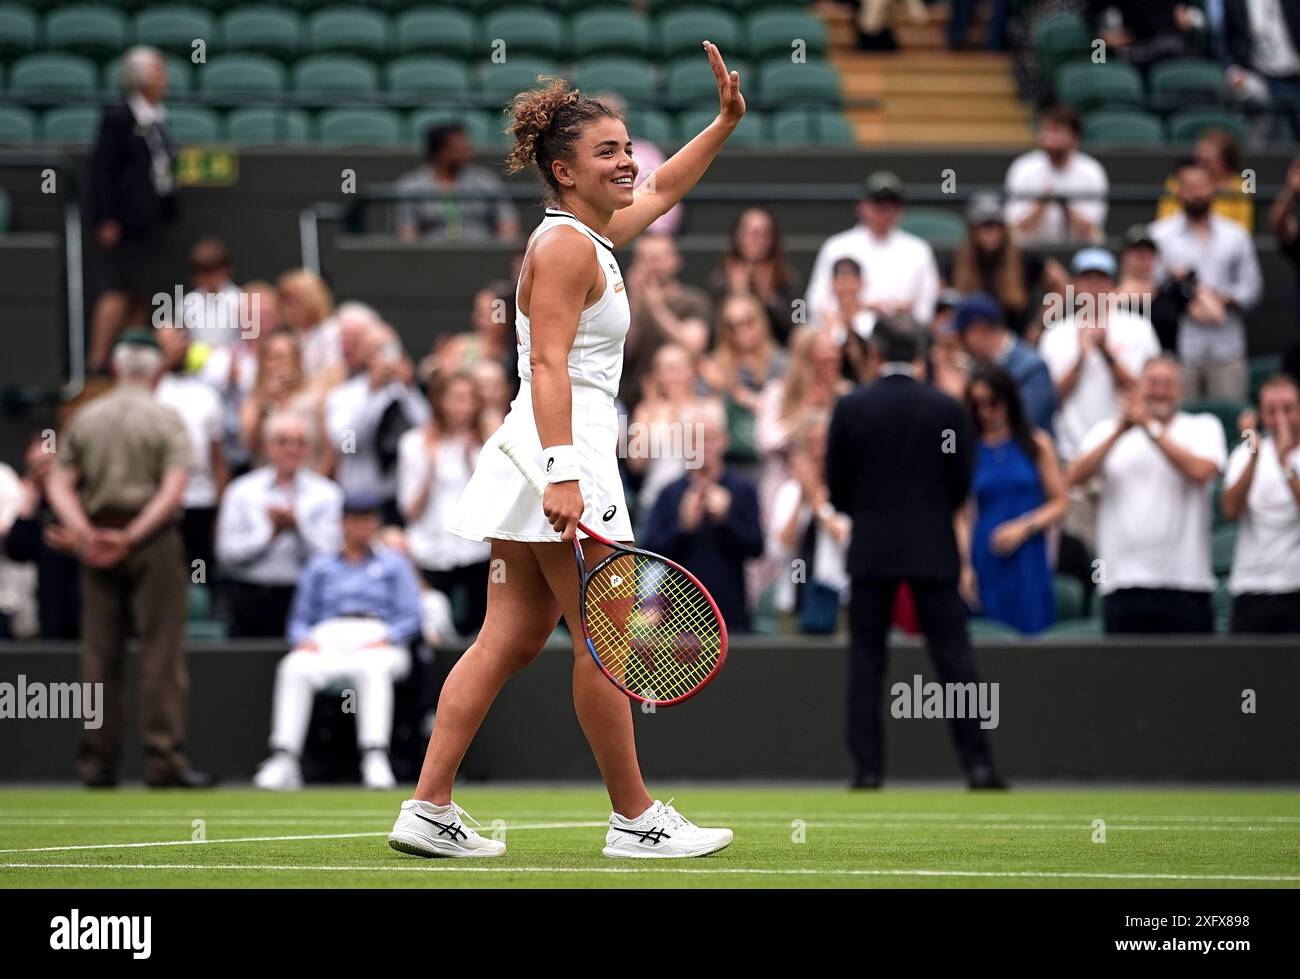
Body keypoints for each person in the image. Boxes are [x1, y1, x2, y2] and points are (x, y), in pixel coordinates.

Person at [390, 50, 745, 860]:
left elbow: (662, 189)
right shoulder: (566, 249)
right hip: (562, 447)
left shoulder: (590, 234)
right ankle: (635, 816)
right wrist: (563, 471)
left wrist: (722, 124)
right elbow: (546, 363)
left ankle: (427, 805)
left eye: (627, 146)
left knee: (508, 639)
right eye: (608, 152)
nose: (629, 163)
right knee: (605, 641)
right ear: (563, 169)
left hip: (542, 444)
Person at [826, 313, 1005, 790]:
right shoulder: (946, 409)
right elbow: (959, 485)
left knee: (866, 659)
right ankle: (980, 765)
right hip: (933, 549)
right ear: (920, 354)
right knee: (955, 659)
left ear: (876, 354)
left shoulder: (852, 408)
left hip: (871, 550)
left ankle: (867, 770)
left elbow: (838, 490)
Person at [44, 331, 214, 788]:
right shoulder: (166, 418)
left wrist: (85, 533)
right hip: (151, 542)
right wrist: (132, 537)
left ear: (117, 368)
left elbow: (58, 484)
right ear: (156, 370)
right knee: (162, 656)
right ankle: (164, 763)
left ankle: (96, 765)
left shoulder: (85, 416)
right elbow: (174, 488)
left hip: (97, 538)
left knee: (98, 657)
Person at [253, 493, 423, 790]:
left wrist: (387, 638)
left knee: (372, 669)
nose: (362, 527)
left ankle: (374, 757)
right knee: (294, 668)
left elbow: (411, 617)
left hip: (377, 636)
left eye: (369, 520)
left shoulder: (394, 564)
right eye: (356, 520)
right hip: (328, 639)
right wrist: (302, 639)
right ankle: (284, 758)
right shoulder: (319, 565)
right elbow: (299, 618)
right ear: (343, 523)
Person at [1067, 356, 1226, 633]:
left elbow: (1201, 471)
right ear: (1138, 387)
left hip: (1187, 584)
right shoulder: (1106, 431)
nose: (1160, 391)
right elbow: (1073, 477)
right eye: (1152, 383)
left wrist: (1150, 427)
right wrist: (1120, 430)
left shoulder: (1203, 426)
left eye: (1168, 384)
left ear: (1181, 390)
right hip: (1122, 584)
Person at [1038, 247, 1161, 549]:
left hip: (1124, 457)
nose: (1093, 288)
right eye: (1086, 280)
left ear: (1111, 285)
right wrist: (1080, 359)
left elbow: (1149, 393)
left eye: (1100, 280)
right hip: (1073, 457)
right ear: (1076, 286)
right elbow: (1048, 398)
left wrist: (1106, 353)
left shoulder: (1139, 328)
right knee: (1081, 553)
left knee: (1126, 549)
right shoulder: (1055, 334)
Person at [86, 47, 176, 373]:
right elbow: (102, 170)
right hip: (124, 223)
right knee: (118, 290)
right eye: (159, 73)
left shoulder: (157, 119)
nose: (164, 81)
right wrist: (106, 217)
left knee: (142, 293)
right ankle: (96, 363)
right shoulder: (118, 117)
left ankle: (129, 365)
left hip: (151, 221)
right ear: (140, 78)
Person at [215, 412, 344, 638]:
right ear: (268, 446)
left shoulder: (327, 494)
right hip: (250, 597)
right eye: (282, 441)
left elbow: (333, 555)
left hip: (306, 597)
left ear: (309, 449)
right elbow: (226, 553)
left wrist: (299, 527)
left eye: (300, 443)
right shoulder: (242, 491)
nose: (291, 449)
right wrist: (269, 535)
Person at [641, 401, 765, 634]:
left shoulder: (742, 489)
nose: (703, 447)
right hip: (677, 620)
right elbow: (651, 551)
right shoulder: (670, 493)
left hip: (730, 615)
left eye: (710, 438)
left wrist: (726, 520)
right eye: (695, 439)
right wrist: (683, 527)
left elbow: (756, 547)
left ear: (724, 441)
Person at [964, 366, 1068, 635]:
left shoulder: (1036, 444)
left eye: (992, 403)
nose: (985, 412)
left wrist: (1025, 526)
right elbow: (963, 514)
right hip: (985, 554)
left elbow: (1060, 503)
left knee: (1031, 635)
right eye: (977, 404)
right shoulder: (969, 449)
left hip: (1028, 555)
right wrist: (963, 566)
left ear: (1008, 400)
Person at [1150, 160, 1262, 401]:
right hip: (1179, 349)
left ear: (1213, 188)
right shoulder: (1159, 235)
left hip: (1227, 347)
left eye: (1202, 185)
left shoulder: (1236, 235)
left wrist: (1222, 299)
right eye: (1189, 186)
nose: (1196, 193)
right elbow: (1151, 288)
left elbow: (1252, 288)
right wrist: (1185, 298)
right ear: (1178, 191)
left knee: (1231, 424)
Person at [397, 371, 492, 637]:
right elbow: (409, 510)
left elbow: (495, 501)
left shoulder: (488, 445)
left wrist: (473, 463)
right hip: (430, 551)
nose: (462, 406)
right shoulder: (414, 444)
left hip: (478, 551)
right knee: (435, 625)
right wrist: (429, 466)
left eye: (468, 399)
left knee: (479, 632)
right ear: (439, 401)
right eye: (455, 399)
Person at [803, 171, 941, 327]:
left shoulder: (918, 250)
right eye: (878, 203)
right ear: (861, 206)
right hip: (845, 334)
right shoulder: (836, 247)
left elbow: (927, 305)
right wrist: (861, 309)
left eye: (892, 203)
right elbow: (817, 302)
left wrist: (897, 314)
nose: (886, 210)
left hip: (902, 337)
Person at [324, 323, 429, 523]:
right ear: (365, 354)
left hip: (401, 499)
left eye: (391, 349)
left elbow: (427, 432)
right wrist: (373, 392)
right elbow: (346, 445)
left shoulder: (406, 394)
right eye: (378, 350)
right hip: (360, 499)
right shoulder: (344, 395)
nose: (386, 359)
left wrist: (410, 389)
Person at [1221, 374, 1300, 632]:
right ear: (1260, 416)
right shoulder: (1245, 453)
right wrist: (1255, 457)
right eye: (1271, 410)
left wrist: (1285, 464)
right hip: (1251, 588)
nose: (1280, 418)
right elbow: (1230, 510)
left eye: (1288, 409)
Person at [765, 413, 851, 634]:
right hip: (793, 604)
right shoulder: (788, 493)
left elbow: (849, 542)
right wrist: (802, 501)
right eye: (811, 444)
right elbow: (778, 550)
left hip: (837, 604)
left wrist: (818, 507)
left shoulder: (848, 491)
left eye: (824, 443)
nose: (819, 452)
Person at [155, 323, 228, 576]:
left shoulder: (206, 394)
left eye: (182, 340)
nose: (178, 347)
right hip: (155, 502)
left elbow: (218, 458)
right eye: (169, 342)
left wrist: (221, 511)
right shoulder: (148, 392)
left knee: (199, 575)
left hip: (200, 501)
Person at [618, 233, 713, 412]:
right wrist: (636, 306)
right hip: (631, 398)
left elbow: (693, 347)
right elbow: (623, 352)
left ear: (676, 260)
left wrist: (656, 308)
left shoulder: (693, 301)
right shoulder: (623, 304)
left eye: (658, 258)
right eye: (644, 259)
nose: (652, 265)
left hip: (684, 398)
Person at [951, 192, 1066, 336]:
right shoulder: (959, 261)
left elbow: (1062, 284)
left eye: (995, 225)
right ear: (973, 230)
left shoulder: (1023, 258)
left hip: (1016, 341)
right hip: (972, 343)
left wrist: (1039, 325)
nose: (990, 231)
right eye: (984, 226)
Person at [4, 433, 81, 640]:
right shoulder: (37, 509)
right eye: (35, 466)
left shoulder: (83, 497)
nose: (42, 472)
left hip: (88, 608)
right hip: (52, 614)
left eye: (46, 464)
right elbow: (18, 551)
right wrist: (29, 501)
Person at [700, 292, 788, 474]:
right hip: (725, 459)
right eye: (731, 326)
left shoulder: (781, 363)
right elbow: (702, 419)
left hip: (771, 459)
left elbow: (784, 411)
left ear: (760, 321)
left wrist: (732, 391)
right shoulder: (714, 365)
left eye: (748, 322)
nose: (740, 331)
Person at [395, 123, 521, 242]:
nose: (467, 151)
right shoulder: (411, 186)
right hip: (431, 259)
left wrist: (502, 255)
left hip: (481, 256)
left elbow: (507, 221)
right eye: (458, 148)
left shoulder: (484, 180)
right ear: (440, 152)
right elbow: (407, 233)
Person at [1003, 106, 1109, 246]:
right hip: (1030, 253)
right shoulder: (1023, 167)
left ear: (1075, 138)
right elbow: (1016, 226)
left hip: (1078, 249)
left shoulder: (1092, 170)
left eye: (1056, 130)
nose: (1049, 136)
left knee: (1099, 238)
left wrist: (1063, 203)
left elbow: (1091, 229)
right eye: (1046, 129)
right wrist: (1042, 202)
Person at [953, 293, 1056, 435]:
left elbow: (1026, 423)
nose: (961, 346)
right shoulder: (976, 369)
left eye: (963, 337)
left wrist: (959, 399)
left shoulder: (1032, 368)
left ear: (980, 329)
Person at [707, 207, 801, 345]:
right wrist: (736, 294)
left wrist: (770, 299)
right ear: (737, 236)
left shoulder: (789, 279)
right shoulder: (719, 280)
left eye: (765, 234)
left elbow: (800, 323)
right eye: (751, 233)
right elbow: (712, 331)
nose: (758, 240)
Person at [1221, 0, 1300, 142]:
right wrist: (1233, 70)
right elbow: (1226, 41)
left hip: (1295, 74)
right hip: (1261, 78)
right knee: (1271, 141)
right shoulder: (1234, 3)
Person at [1154, 130, 1253, 231]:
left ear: (1226, 161)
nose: (1203, 165)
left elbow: (1244, 227)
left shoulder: (1241, 185)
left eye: (1209, 160)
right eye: (1199, 159)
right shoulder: (1177, 180)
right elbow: (1164, 219)